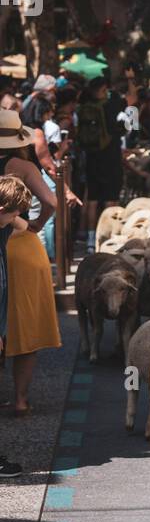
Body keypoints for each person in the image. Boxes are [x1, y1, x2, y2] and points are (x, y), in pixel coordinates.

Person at [0, 112, 62, 416]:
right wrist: (35, 223)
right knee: (23, 325)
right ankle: (21, 398)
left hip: (4, 246)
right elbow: (51, 201)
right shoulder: (23, 166)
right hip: (22, 247)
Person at [0, 174, 33, 472]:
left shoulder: (3, 227)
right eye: (14, 211)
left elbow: (22, 224)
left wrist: (11, 215)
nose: (18, 218)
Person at [77, 79, 125, 252]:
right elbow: (131, 127)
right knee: (110, 199)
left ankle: (91, 240)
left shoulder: (84, 107)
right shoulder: (111, 107)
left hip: (92, 158)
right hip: (110, 158)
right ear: (104, 89)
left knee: (92, 200)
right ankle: (109, 239)